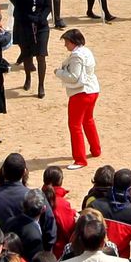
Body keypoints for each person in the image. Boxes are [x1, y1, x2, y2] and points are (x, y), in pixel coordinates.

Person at [54, 29, 101, 172]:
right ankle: (96, 149)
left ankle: (80, 159)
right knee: (88, 120)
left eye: (67, 42)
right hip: (92, 90)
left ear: (73, 42)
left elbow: (74, 77)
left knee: (75, 125)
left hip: (81, 93)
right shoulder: (86, 51)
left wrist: (59, 73)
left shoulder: (76, 56)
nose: (65, 45)